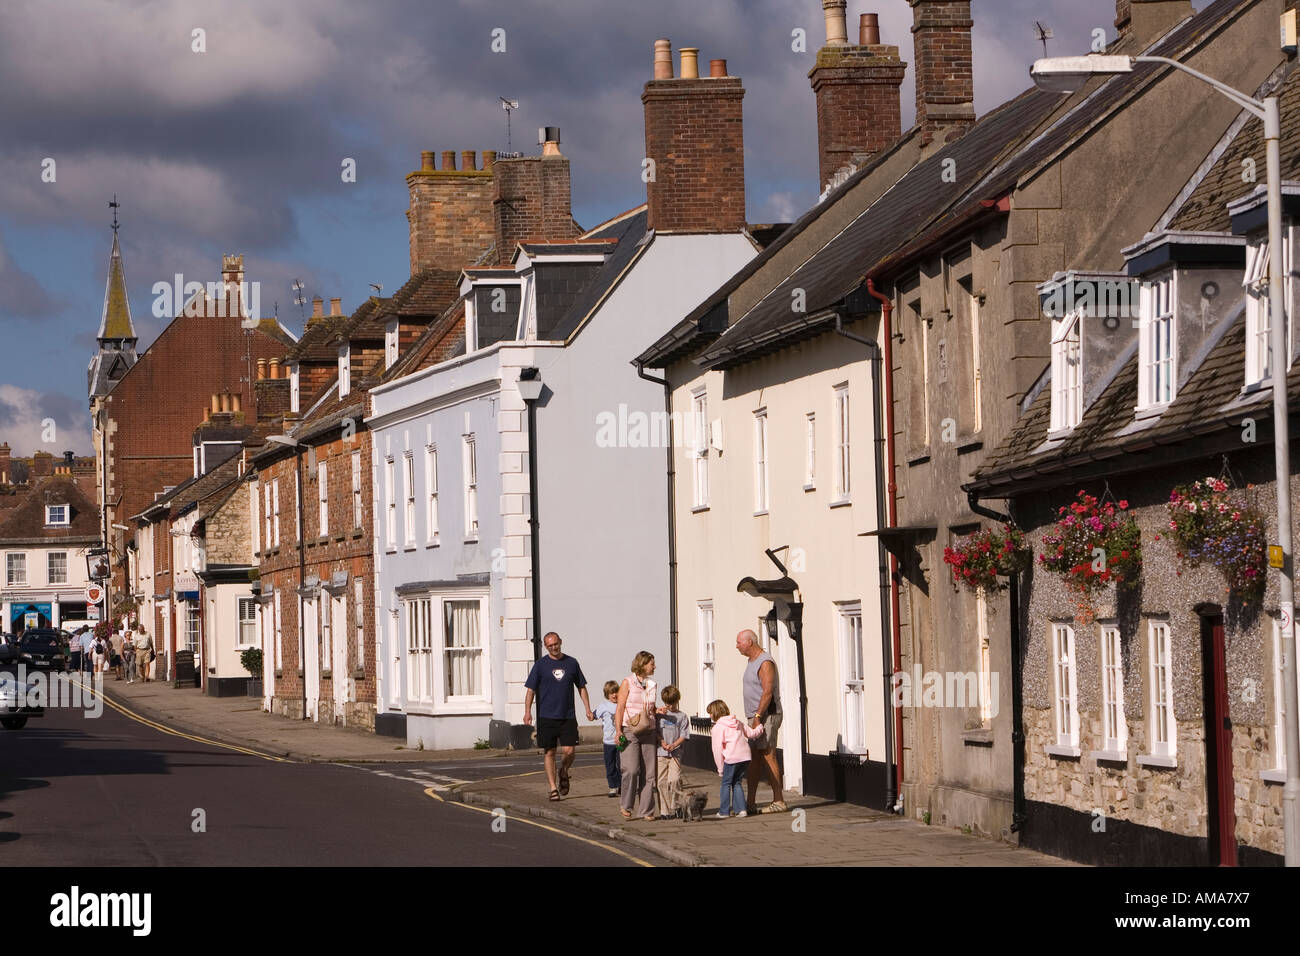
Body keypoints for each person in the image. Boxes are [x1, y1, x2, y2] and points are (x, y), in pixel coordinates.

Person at [522, 632, 594, 802]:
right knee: (550, 752)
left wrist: (588, 709)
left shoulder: (572, 663)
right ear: (546, 647)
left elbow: (581, 687)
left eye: (556, 644)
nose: (554, 648)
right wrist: (527, 711)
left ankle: (564, 770)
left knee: (570, 751)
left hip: (567, 715)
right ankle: (553, 788)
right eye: (550, 646)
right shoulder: (540, 665)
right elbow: (530, 690)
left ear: (560, 642)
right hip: (546, 716)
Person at [737, 629, 787, 814]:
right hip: (755, 717)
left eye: (739, 642)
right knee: (755, 759)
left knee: (768, 755)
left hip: (766, 716)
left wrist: (758, 717)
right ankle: (750, 803)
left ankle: (779, 800)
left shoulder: (765, 662)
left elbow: (767, 692)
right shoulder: (751, 662)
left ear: (749, 642)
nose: (737, 646)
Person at [614, 650, 658, 821]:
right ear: (643, 664)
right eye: (652, 663)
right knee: (631, 770)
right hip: (630, 729)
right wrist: (618, 730)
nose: (654, 666)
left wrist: (657, 710)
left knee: (649, 773)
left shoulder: (652, 684)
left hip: (649, 729)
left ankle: (646, 810)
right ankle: (626, 805)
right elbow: (620, 707)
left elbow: (651, 707)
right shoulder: (628, 682)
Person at [708, 698, 763, 819]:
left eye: (710, 712)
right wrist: (760, 728)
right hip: (745, 757)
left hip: (732, 757)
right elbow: (751, 734)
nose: (710, 715)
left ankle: (724, 811)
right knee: (737, 782)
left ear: (715, 712)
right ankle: (741, 810)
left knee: (726, 784)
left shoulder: (717, 728)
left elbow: (717, 750)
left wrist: (720, 768)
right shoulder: (737, 722)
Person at [655, 685, 689, 819]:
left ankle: (677, 805)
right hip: (661, 753)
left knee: (674, 780)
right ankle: (665, 810)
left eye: (673, 703)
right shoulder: (660, 715)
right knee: (661, 782)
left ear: (677, 700)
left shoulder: (682, 716)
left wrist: (674, 744)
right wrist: (662, 742)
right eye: (668, 703)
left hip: (676, 753)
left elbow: (684, 735)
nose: (670, 706)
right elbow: (656, 732)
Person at [593, 680, 621, 797]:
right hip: (608, 741)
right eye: (611, 693)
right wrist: (590, 714)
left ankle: (622, 785)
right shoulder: (603, 706)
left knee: (622, 765)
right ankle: (612, 787)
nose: (614, 695)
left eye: (616, 692)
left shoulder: (623, 704)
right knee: (610, 765)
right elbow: (594, 715)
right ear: (607, 694)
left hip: (621, 741)